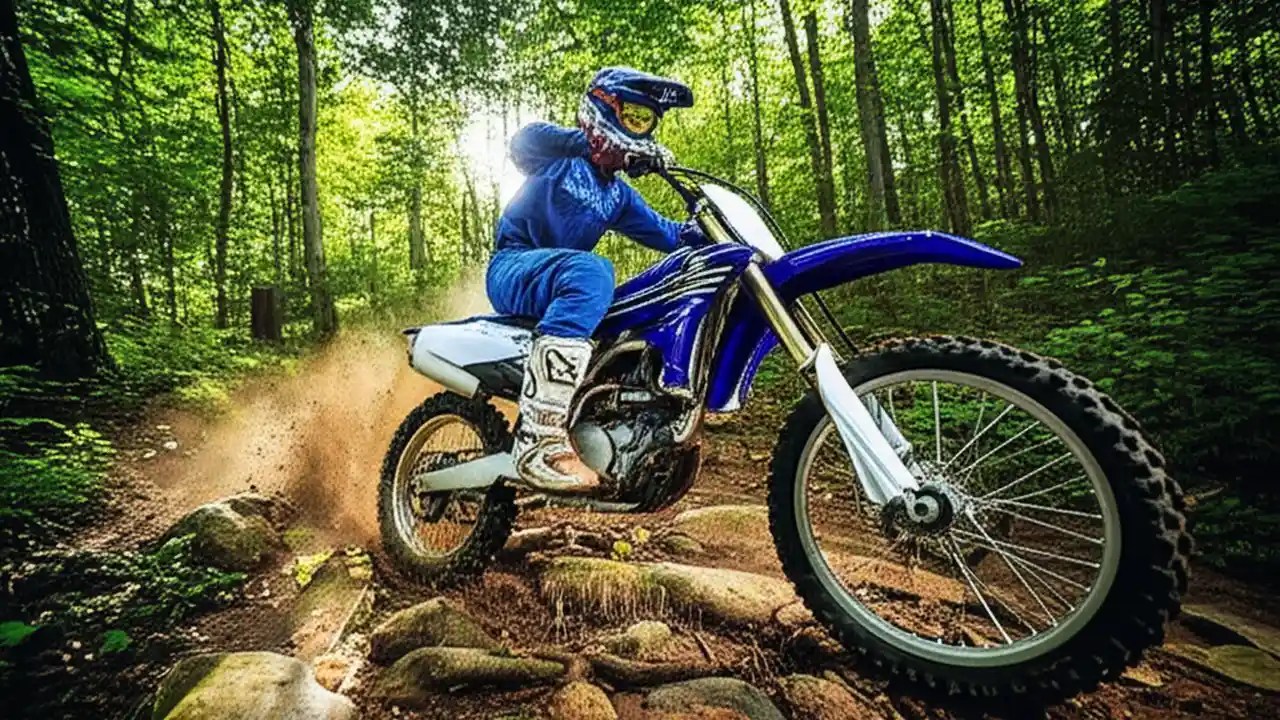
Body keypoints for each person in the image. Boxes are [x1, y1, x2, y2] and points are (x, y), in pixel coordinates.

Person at [487, 67, 701, 494]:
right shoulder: (558, 157)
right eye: (635, 117)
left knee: (631, 305)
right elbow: (523, 141)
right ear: (606, 107)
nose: (641, 129)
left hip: (561, 284)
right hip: (514, 265)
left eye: (648, 122)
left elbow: (669, 235)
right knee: (594, 270)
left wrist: (706, 225)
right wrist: (585, 141)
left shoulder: (616, 195)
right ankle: (538, 439)